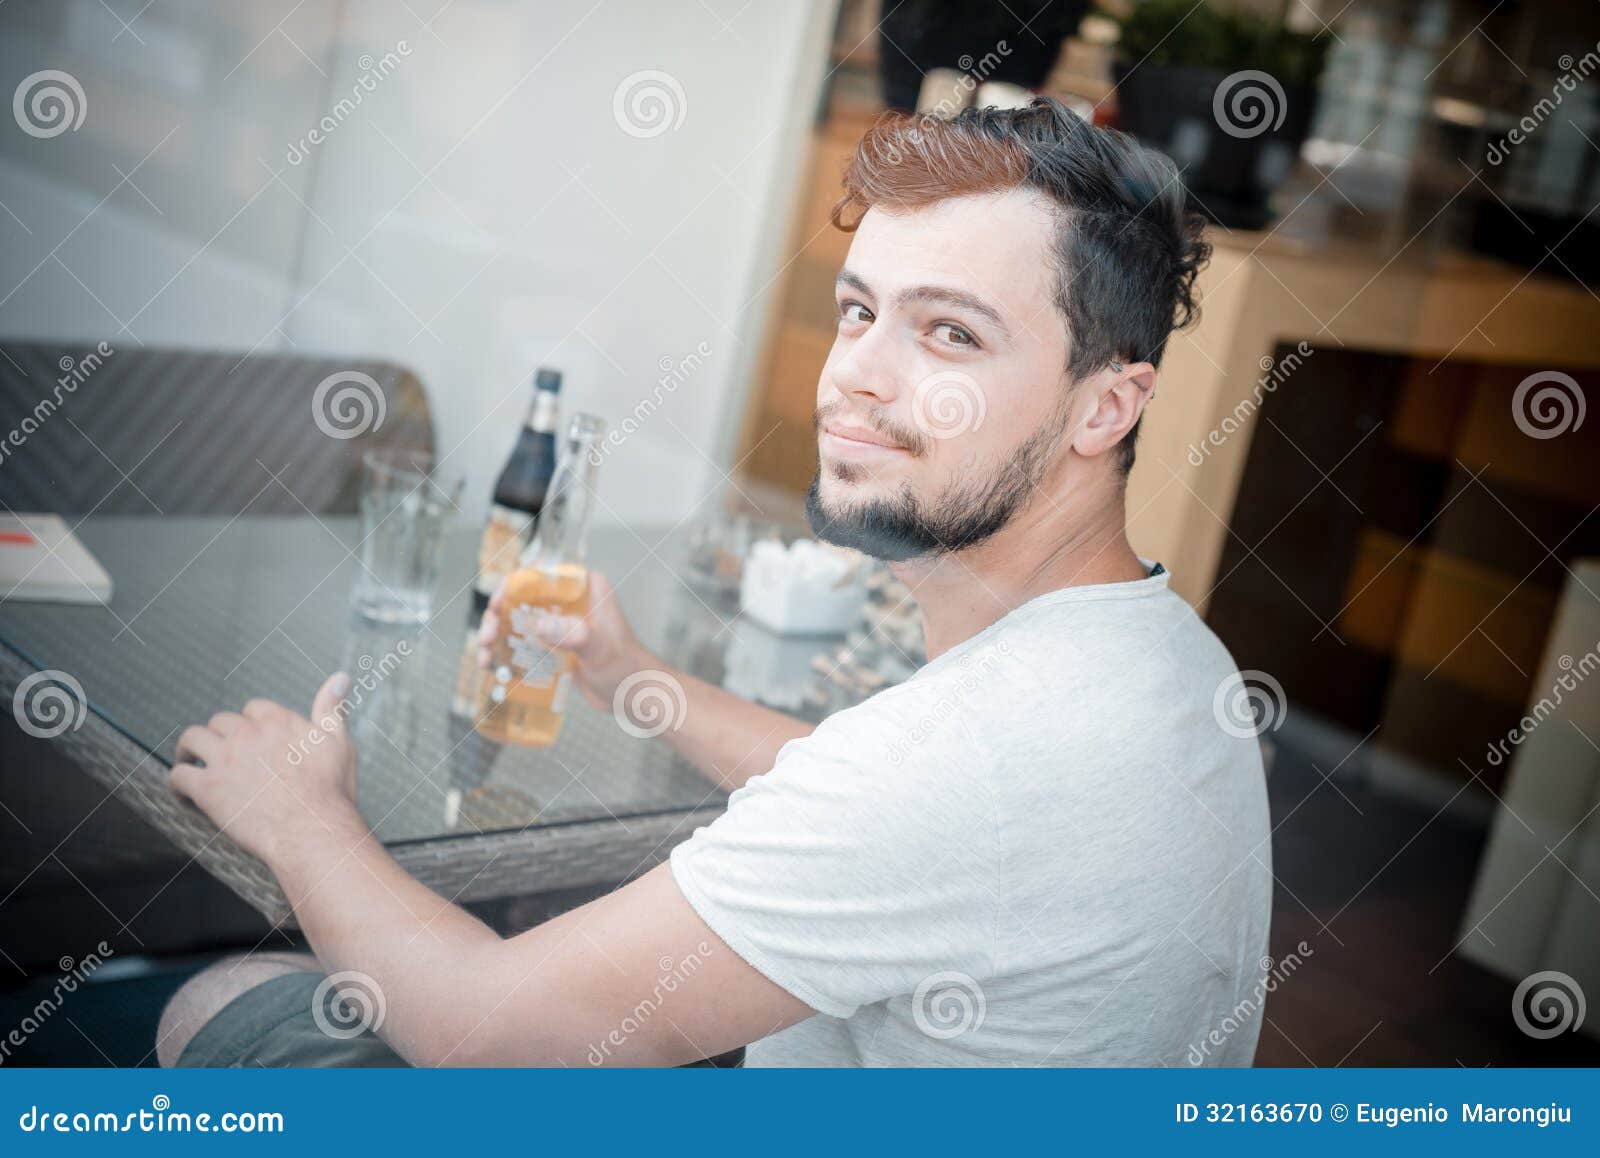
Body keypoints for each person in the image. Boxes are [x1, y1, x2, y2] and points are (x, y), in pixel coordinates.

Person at [158, 100, 1270, 1068]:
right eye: (858, 310)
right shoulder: (1168, 657)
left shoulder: (957, 765)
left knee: (223, 998)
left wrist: (301, 817)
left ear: (1104, 407)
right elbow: (890, 807)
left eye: (949, 333)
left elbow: (483, 1037)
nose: (857, 373)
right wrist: (631, 677)